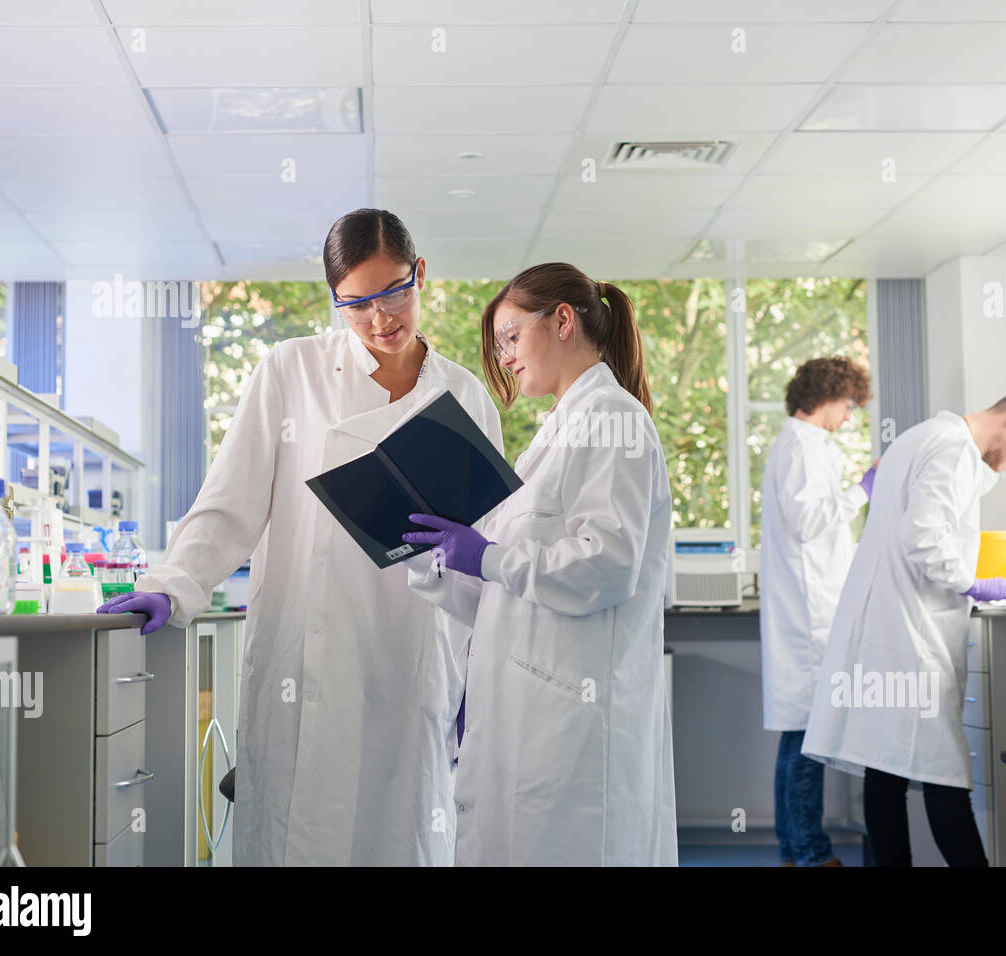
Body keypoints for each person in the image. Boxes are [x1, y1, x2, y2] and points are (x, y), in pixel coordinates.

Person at [98, 209, 502, 865]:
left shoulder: (465, 396)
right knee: (303, 837)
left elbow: (483, 545)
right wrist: (172, 586)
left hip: (416, 657)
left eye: (395, 292)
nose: (381, 320)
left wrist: (481, 675)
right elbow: (229, 503)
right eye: (356, 304)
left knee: (404, 835)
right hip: (311, 664)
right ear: (334, 302)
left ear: (420, 273)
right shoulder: (291, 371)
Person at [400, 262, 677, 866]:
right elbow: (500, 594)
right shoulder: (549, 441)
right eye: (498, 345)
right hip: (523, 719)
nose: (503, 357)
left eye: (509, 337)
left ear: (562, 321)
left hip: (572, 727)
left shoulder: (615, 420)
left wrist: (489, 556)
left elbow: (606, 565)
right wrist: (436, 563)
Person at [802, 390, 1006, 867]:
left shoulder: (922, 436)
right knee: (945, 776)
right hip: (908, 634)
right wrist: (974, 583)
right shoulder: (953, 448)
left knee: (887, 773)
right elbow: (923, 535)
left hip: (888, 628)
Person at [760, 357, 875, 868]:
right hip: (809, 617)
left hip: (809, 611)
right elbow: (809, 522)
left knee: (798, 739)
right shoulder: (802, 447)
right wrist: (864, 490)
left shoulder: (804, 445)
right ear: (829, 395)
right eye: (849, 405)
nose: (849, 416)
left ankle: (795, 851)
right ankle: (811, 853)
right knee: (807, 740)